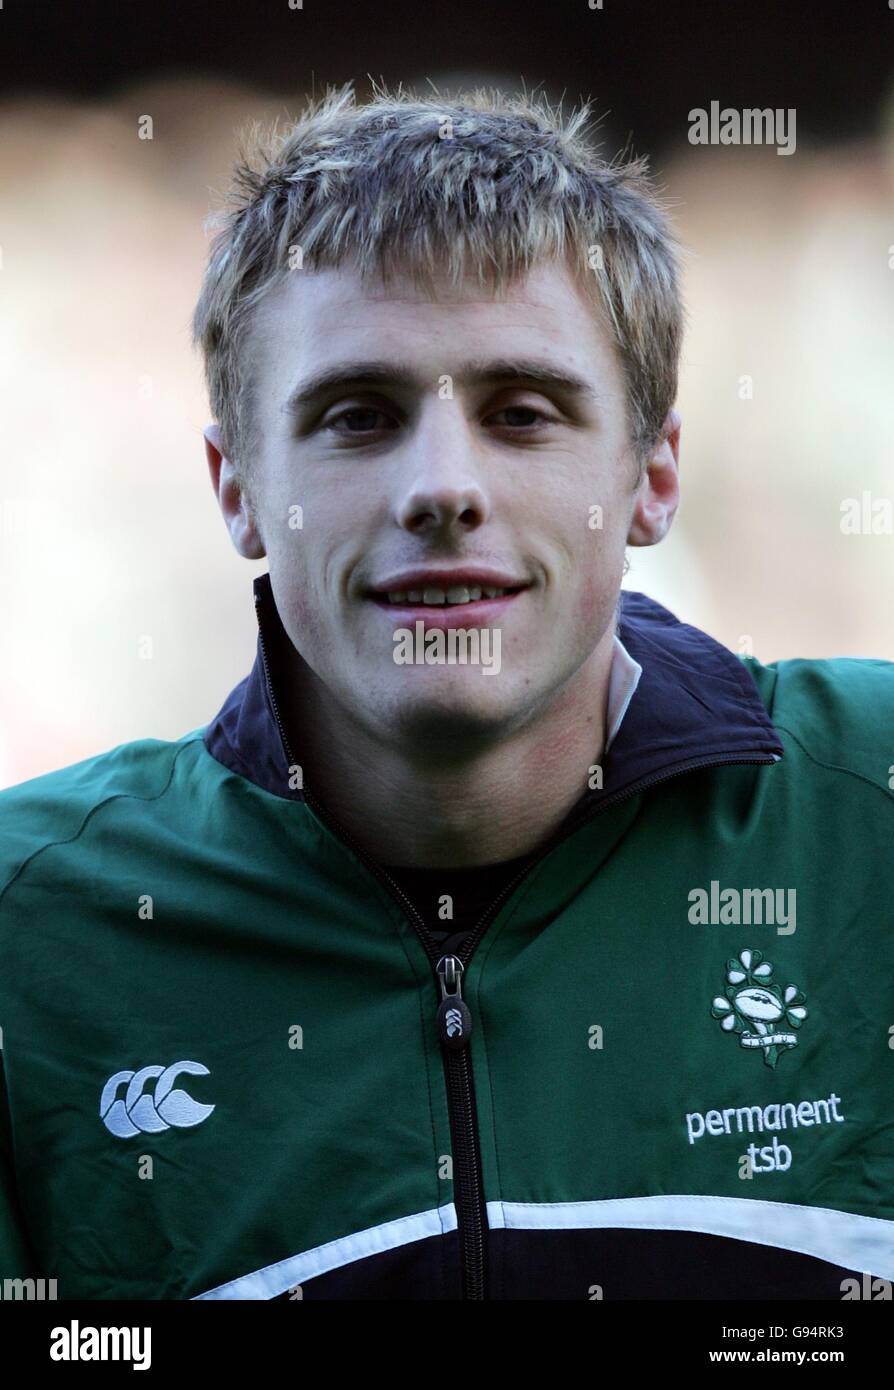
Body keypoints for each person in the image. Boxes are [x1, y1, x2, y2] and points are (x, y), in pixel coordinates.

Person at [1, 83, 891, 1301]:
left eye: (522, 412)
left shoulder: (871, 815)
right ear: (236, 488)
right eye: (357, 416)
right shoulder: (32, 932)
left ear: (653, 472)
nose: (443, 487)